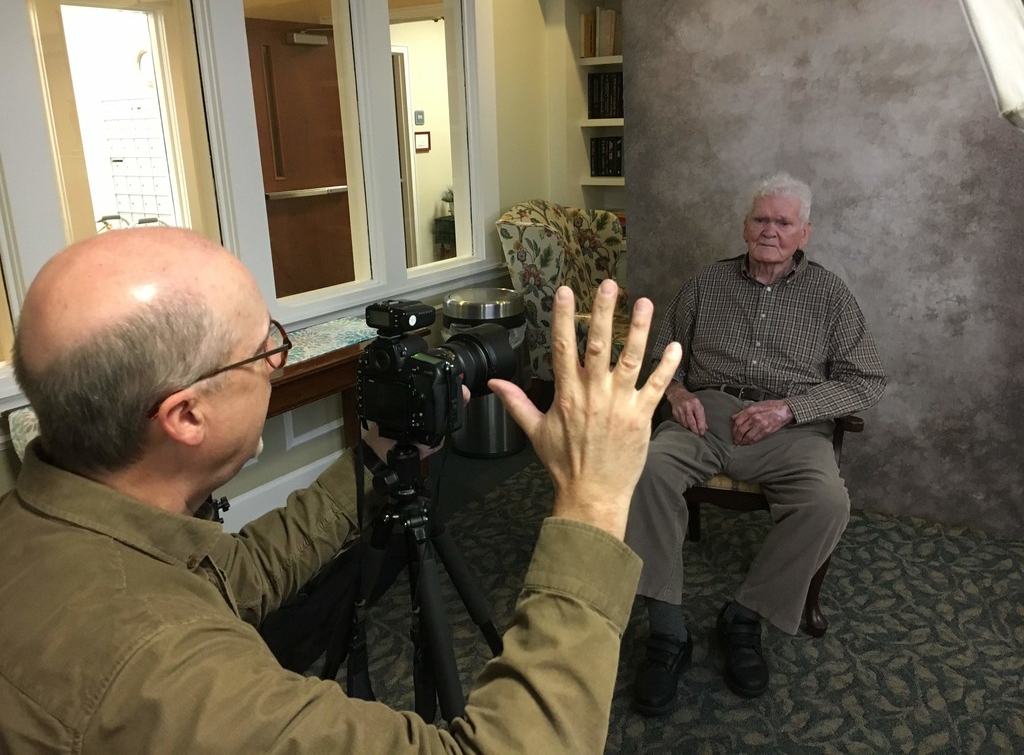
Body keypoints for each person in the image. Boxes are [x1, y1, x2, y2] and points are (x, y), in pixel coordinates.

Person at [0, 226, 681, 753]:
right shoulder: (166, 673)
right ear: (186, 416)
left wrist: (377, 460)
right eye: (263, 347)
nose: (277, 361)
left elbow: (231, 575)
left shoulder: (48, 527)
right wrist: (593, 502)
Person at [626, 172, 886, 714]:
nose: (771, 230)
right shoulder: (706, 283)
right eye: (761, 219)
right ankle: (668, 631)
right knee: (647, 470)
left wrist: (790, 409)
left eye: (784, 222)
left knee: (827, 504)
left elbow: (867, 378)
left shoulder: (831, 295)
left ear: (804, 232)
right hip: (708, 414)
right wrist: (676, 392)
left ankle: (744, 617)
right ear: (745, 225)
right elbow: (658, 353)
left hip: (792, 426)